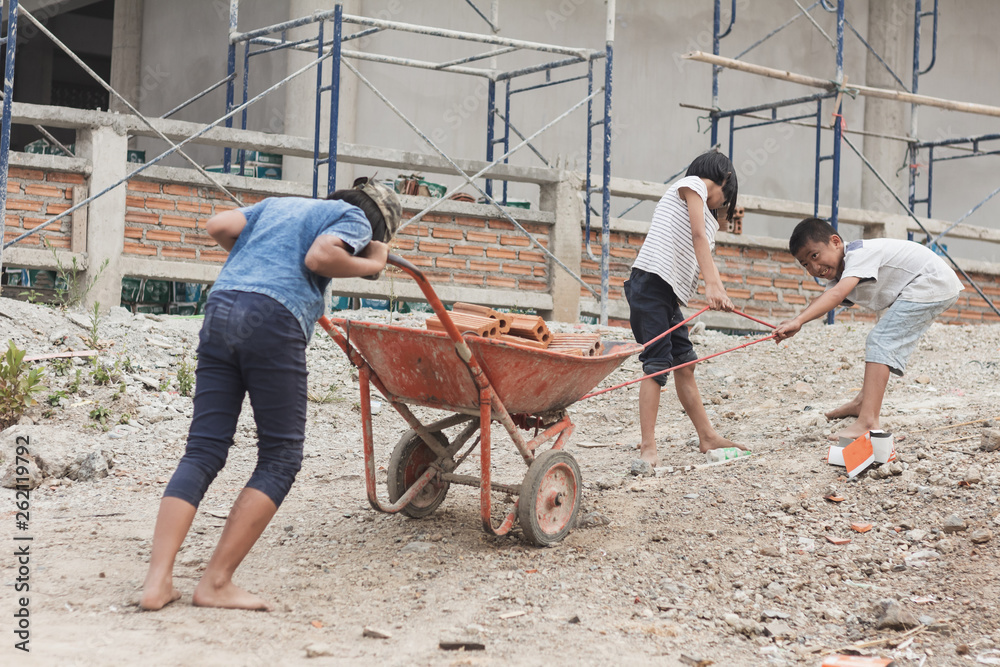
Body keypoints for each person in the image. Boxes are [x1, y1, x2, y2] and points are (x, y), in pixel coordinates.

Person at [140, 177, 402, 611]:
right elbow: (321, 257)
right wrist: (374, 264)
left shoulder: (280, 205)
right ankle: (216, 583)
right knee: (280, 457)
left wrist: (258, 264)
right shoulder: (354, 219)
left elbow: (218, 226)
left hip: (222, 307)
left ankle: (156, 581)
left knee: (203, 450)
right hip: (272, 319)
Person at [773, 217, 962, 441]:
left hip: (932, 282)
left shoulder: (859, 254)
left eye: (815, 256)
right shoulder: (841, 273)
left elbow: (836, 294)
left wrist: (799, 321)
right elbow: (827, 299)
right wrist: (797, 321)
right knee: (882, 339)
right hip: (924, 286)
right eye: (805, 264)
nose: (814, 268)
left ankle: (869, 421)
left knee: (881, 340)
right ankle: (863, 403)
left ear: (835, 242)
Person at [624, 151, 747, 467]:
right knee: (657, 365)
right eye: (723, 198)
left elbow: (702, 242)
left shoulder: (705, 218)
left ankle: (707, 436)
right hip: (650, 285)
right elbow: (696, 238)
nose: (719, 206)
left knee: (685, 363)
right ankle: (647, 448)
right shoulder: (692, 185)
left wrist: (718, 290)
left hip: (666, 295)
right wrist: (713, 286)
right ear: (723, 179)